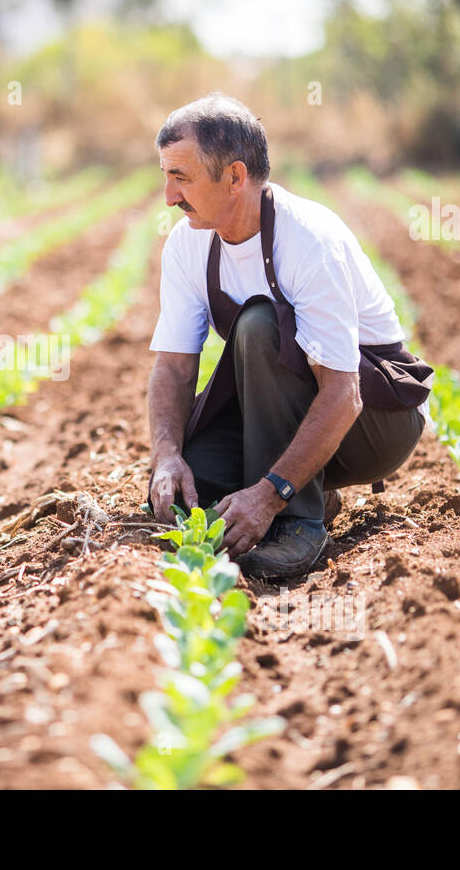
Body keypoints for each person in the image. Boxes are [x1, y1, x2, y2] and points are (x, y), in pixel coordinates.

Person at [146, 93, 433, 581]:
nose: (170, 197)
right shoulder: (188, 243)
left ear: (235, 177)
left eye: (182, 177)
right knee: (191, 489)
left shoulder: (308, 241)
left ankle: (298, 521)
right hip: (284, 412)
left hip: (376, 418)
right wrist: (167, 456)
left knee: (260, 325)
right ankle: (310, 485)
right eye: (167, 176)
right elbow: (174, 366)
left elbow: (344, 395)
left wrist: (268, 495)